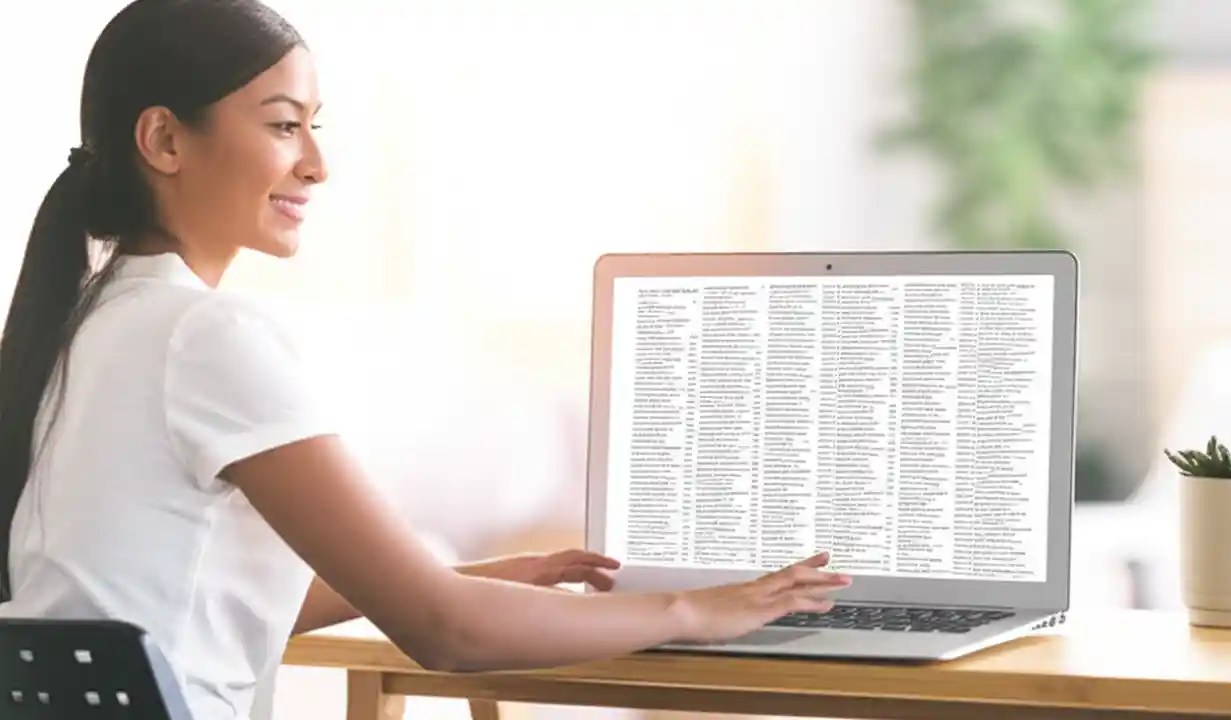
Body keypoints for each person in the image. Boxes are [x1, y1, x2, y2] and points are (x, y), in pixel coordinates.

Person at [0, 1, 851, 718]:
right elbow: (447, 633)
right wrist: (693, 610)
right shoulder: (206, 336)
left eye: (314, 128)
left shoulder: (88, 323)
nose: (318, 165)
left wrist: (466, 578)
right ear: (164, 139)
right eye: (284, 126)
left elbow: (195, 594)